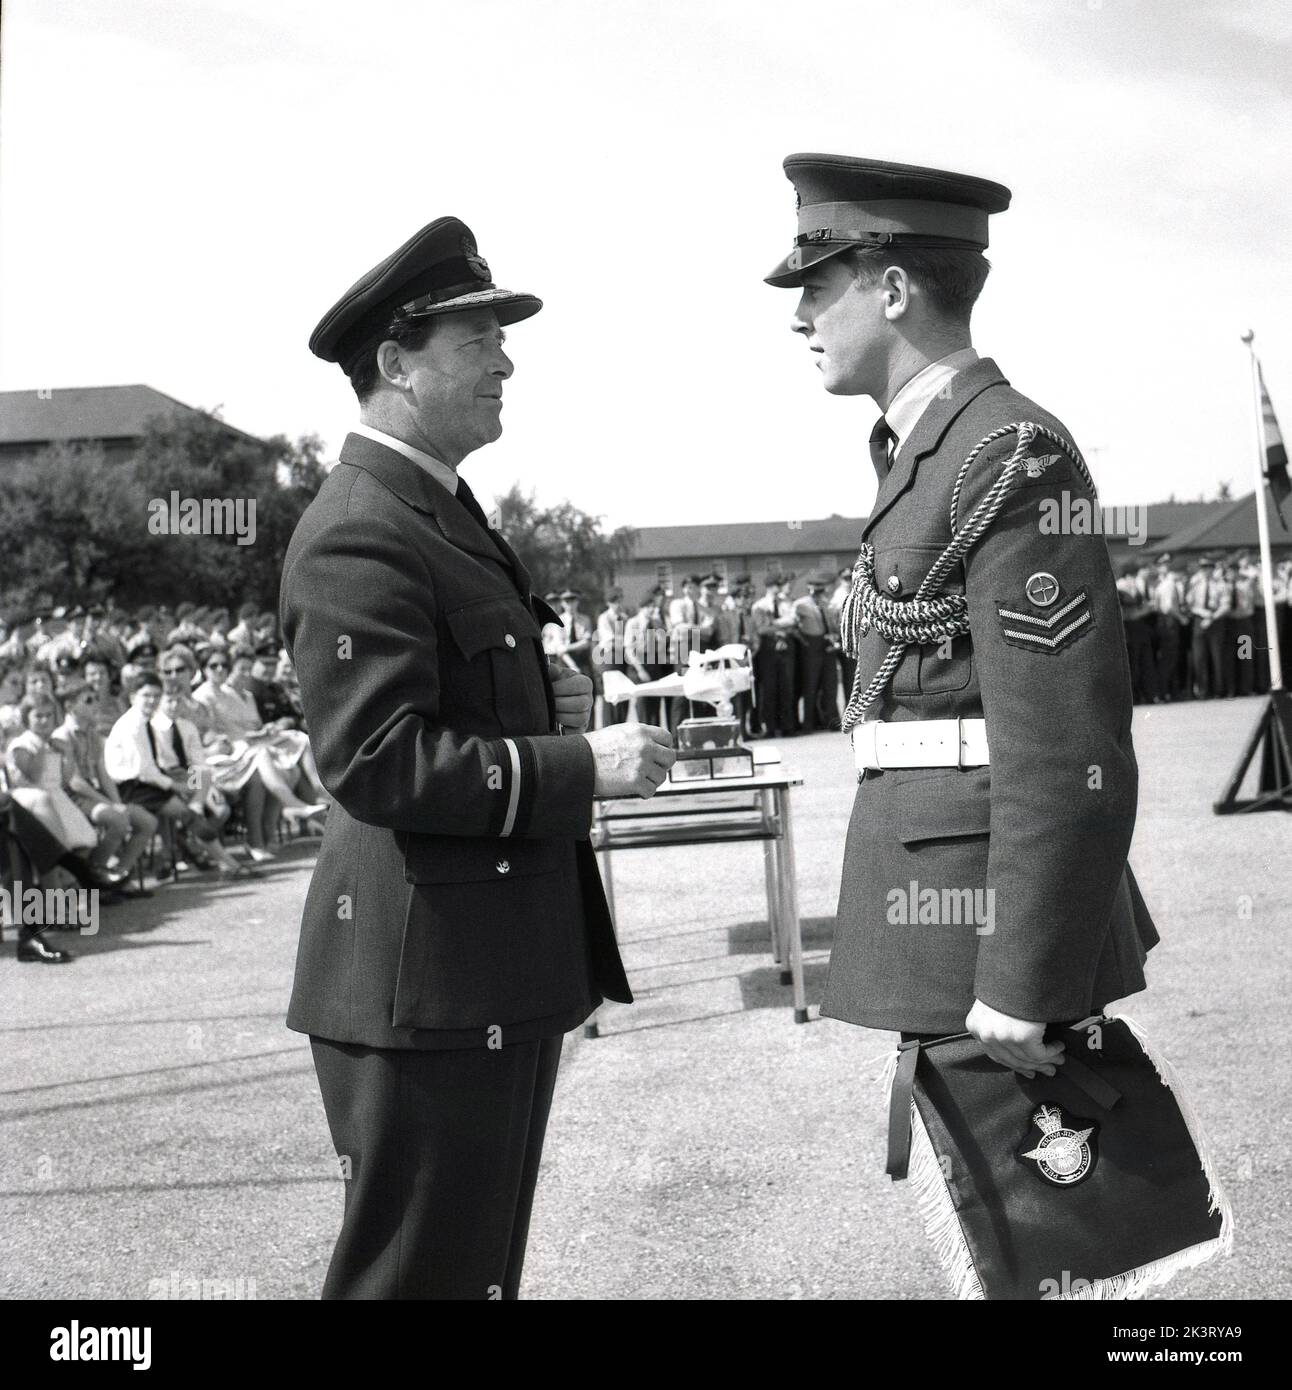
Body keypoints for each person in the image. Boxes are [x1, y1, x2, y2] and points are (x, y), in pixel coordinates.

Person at [286, 215, 674, 1300]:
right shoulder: (362, 523)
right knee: (413, 1282)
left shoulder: (435, 509)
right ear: (397, 364)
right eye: (477, 339)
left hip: (475, 966)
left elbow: (455, 703)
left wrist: (547, 711)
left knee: (467, 1278)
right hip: (423, 981)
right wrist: (579, 764)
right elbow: (375, 758)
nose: (504, 360)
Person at [766, 152, 1156, 1077]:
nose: (797, 315)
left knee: (1050, 1194)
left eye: (817, 286)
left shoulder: (1008, 449)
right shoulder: (928, 448)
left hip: (985, 923)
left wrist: (1027, 972)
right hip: (940, 891)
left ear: (893, 288)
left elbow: (1069, 739)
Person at [51, 678, 156, 890]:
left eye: (95, 698)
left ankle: (117, 873)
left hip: (93, 793)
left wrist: (116, 802)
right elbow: (75, 782)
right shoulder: (62, 736)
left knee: (147, 822)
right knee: (117, 820)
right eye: (88, 700)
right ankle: (93, 874)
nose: (95, 704)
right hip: (72, 797)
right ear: (70, 706)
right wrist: (110, 805)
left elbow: (103, 772)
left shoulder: (93, 734)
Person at [749, 574, 796, 737]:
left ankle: (787, 726)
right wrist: (780, 627)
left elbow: (792, 622)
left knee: (786, 688)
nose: (780, 589)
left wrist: (774, 625)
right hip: (767, 649)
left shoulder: (786, 604)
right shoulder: (760, 606)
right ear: (770, 587)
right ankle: (770, 727)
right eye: (777, 585)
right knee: (769, 689)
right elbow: (761, 629)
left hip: (785, 647)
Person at [793, 575, 841, 732]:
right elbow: (793, 626)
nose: (818, 594)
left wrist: (834, 636)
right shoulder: (801, 605)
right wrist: (804, 641)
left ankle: (833, 722)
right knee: (811, 686)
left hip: (827, 646)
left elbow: (833, 625)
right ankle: (808, 724)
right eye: (815, 591)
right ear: (809, 590)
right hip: (811, 646)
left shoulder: (827, 604)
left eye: (821, 591)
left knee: (830, 686)